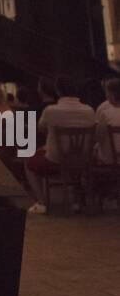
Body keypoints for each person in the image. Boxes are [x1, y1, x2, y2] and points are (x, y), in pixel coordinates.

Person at [24, 75, 96, 213]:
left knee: (28, 161)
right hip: (83, 159)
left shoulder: (51, 111)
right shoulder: (89, 110)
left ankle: (42, 202)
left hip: (56, 160)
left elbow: (41, 128)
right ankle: (77, 201)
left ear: (58, 91)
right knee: (75, 165)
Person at [95, 78, 120, 165]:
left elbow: (98, 137)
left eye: (107, 92)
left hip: (111, 159)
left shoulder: (105, 113)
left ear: (112, 95)